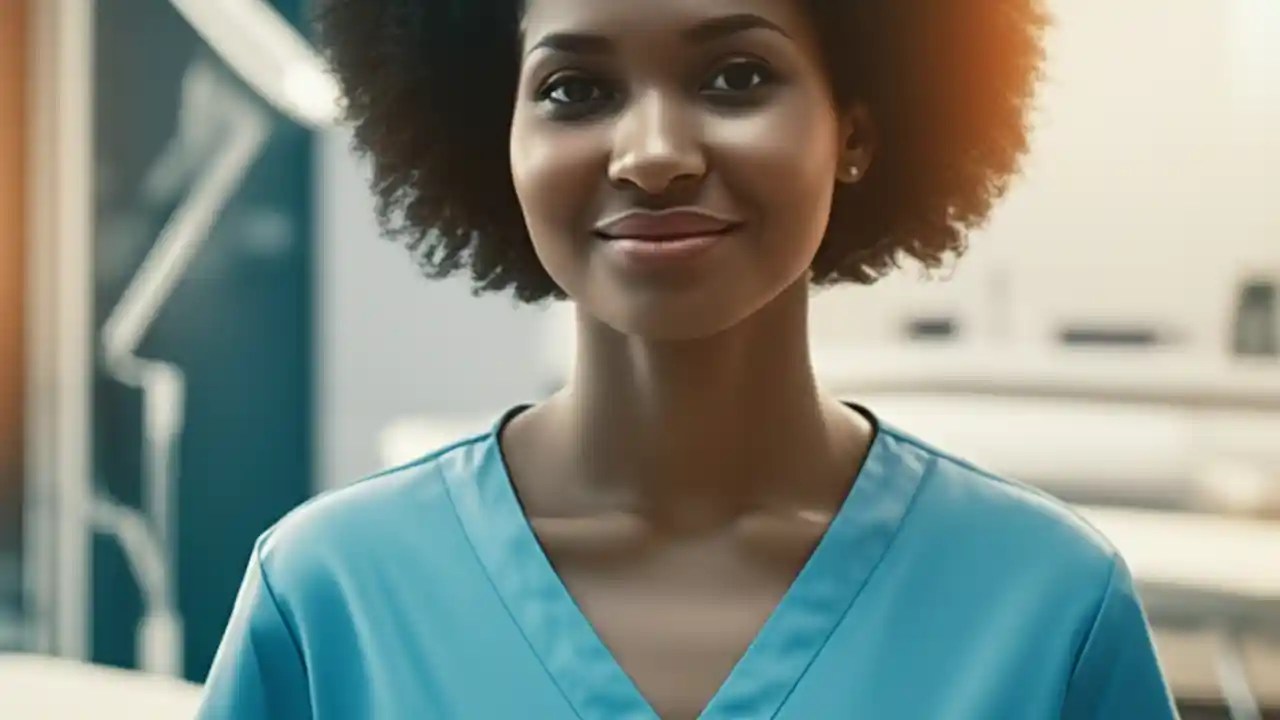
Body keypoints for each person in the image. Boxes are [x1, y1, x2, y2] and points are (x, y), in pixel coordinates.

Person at [198, 0, 1178, 717]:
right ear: (490, 136)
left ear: (856, 131)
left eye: (736, 76)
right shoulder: (332, 601)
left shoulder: (1045, 609)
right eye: (574, 89)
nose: (652, 153)